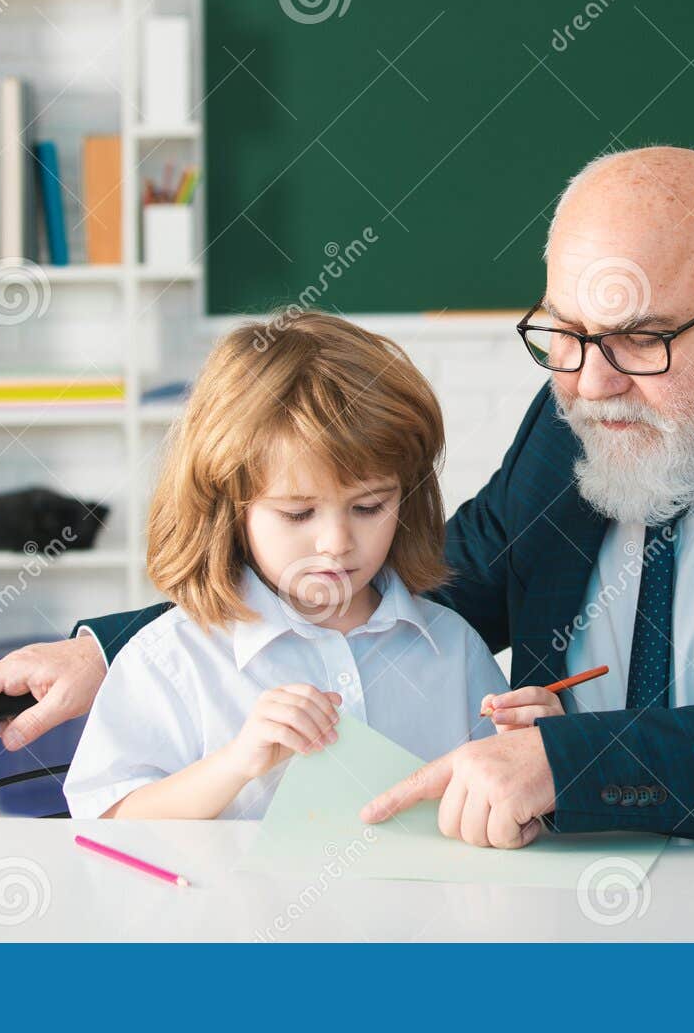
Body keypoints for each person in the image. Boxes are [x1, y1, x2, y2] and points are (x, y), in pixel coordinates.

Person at [0, 146, 694, 848]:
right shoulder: (569, 417)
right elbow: (416, 584)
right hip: (568, 898)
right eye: (561, 335)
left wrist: (576, 760)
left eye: (640, 342)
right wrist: (124, 644)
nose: (592, 385)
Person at [60, 312, 550, 821]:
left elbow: (504, 806)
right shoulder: (173, 659)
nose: (336, 543)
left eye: (368, 508)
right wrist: (235, 764)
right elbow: (108, 822)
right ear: (229, 506)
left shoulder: (451, 647)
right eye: (298, 513)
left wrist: (539, 758)